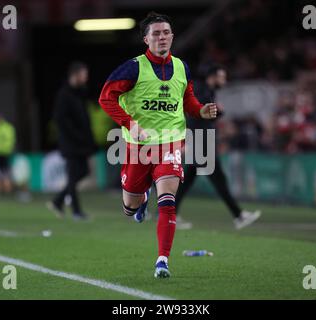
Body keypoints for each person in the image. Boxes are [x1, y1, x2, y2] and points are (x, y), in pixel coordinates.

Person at [99, 12, 217, 278]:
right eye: (156, 33)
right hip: (137, 149)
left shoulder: (182, 68)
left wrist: (200, 111)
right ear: (146, 39)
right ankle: (140, 201)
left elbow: (187, 101)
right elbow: (106, 98)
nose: (162, 37)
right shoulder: (132, 68)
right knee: (128, 207)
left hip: (171, 144)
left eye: (166, 32)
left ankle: (162, 260)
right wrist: (130, 123)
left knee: (168, 201)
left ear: (172, 36)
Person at [175, 64, 261, 230]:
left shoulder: (206, 90)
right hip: (201, 139)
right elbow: (195, 112)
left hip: (200, 138)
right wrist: (217, 111)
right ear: (212, 76)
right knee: (218, 179)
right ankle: (239, 215)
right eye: (222, 76)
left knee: (189, 178)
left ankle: (167, 213)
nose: (224, 80)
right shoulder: (202, 90)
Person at [47, 62, 97, 220]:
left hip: (81, 143)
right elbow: (60, 120)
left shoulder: (80, 93)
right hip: (71, 144)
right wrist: (75, 136)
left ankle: (58, 201)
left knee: (82, 173)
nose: (86, 78)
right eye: (83, 74)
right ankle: (75, 211)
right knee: (74, 175)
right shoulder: (64, 94)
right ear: (74, 75)